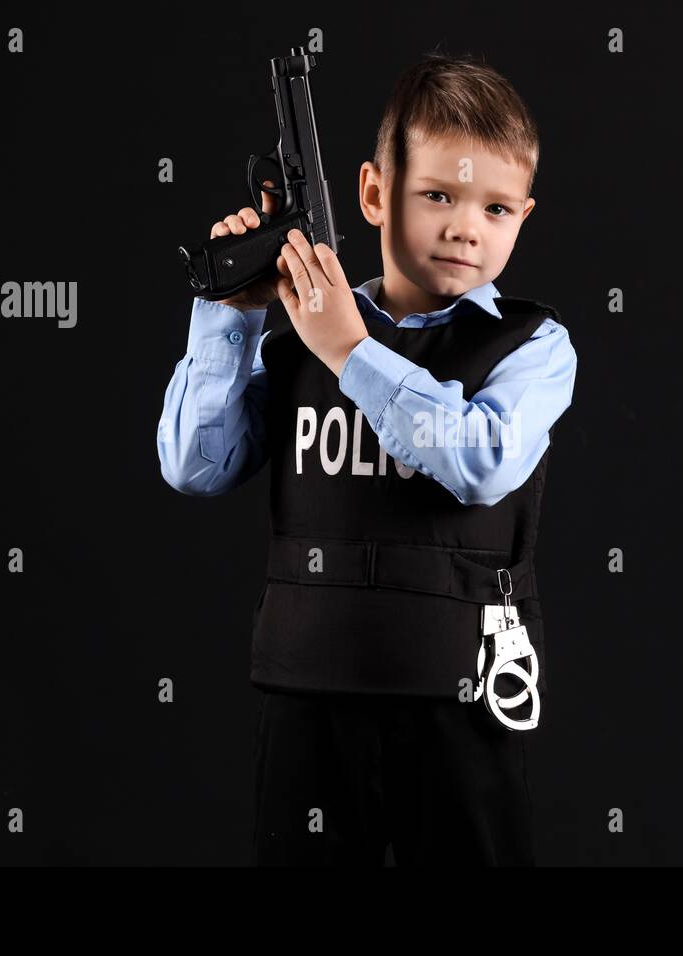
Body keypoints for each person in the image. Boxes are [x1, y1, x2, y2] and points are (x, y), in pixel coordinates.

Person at [157, 51, 577, 865]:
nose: (465, 227)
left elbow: (482, 460)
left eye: (496, 208)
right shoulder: (301, 337)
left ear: (524, 216)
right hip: (309, 694)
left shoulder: (532, 347)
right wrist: (231, 317)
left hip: (461, 699)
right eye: (438, 196)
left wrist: (351, 352)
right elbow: (192, 465)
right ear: (375, 194)